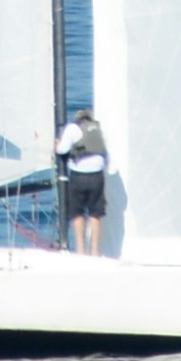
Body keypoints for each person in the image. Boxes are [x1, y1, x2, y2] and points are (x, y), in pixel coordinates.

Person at [55, 106, 110, 254]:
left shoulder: (73, 128)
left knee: (77, 212)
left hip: (79, 176)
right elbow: (106, 154)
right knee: (95, 214)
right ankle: (95, 251)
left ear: (78, 118)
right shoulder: (99, 130)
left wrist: (57, 145)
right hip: (97, 176)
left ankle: (80, 249)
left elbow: (62, 150)